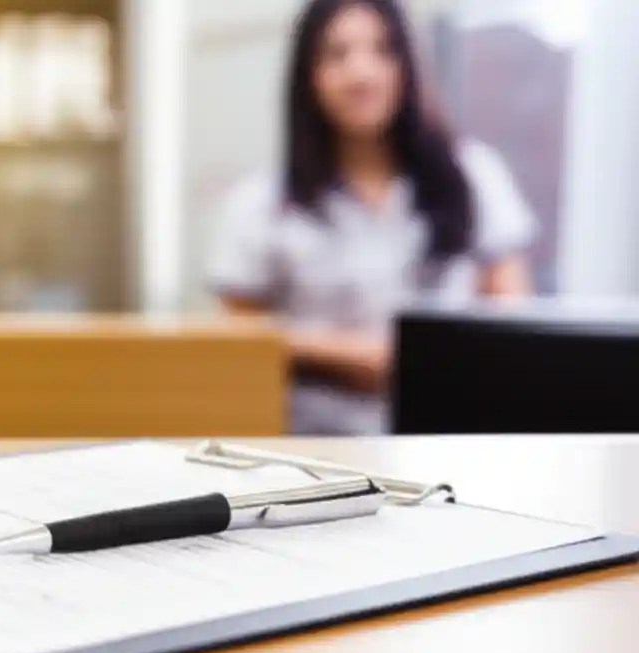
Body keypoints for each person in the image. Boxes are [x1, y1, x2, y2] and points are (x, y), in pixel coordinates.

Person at [207, 0, 535, 435]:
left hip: (451, 441)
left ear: (409, 65)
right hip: (311, 453)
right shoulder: (261, 202)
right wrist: (356, 356)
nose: (361, 74)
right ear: (307, 75)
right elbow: (237, 342)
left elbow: (514, 325)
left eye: (382, 50)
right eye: (337, 54)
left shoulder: (475, 177)